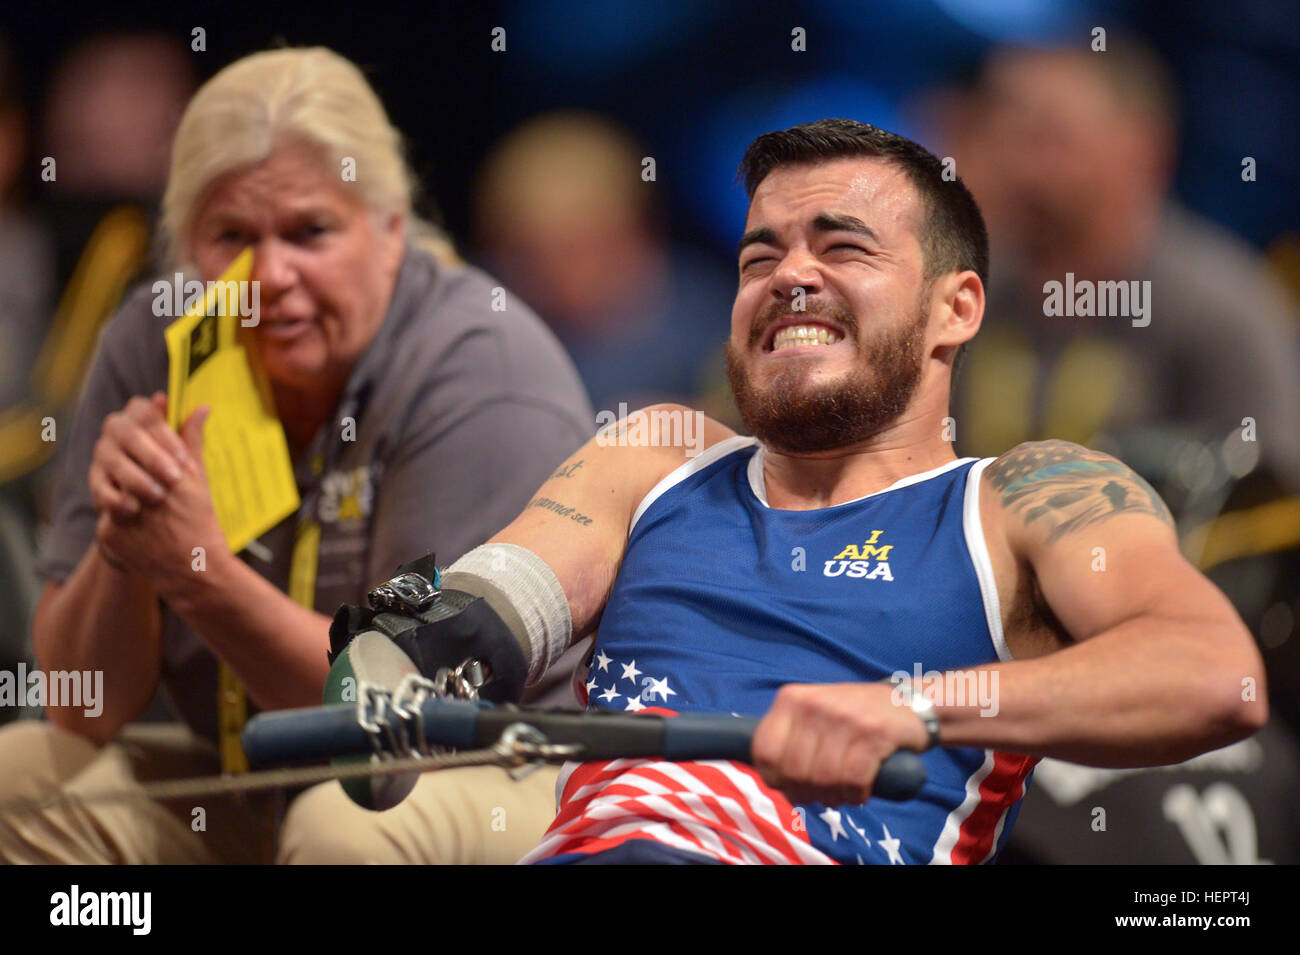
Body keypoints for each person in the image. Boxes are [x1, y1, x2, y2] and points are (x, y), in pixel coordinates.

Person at [302, 118, 1267, 865]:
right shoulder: (660, 451)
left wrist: (918, 707)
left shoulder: (1026, 495)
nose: (790, 275)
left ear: (955, 307)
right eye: (760, 255)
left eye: (841, 247)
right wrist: (410, 649)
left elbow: (1217, 675)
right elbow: (490, 610)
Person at [0, 47, 592, 864]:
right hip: (256, 780)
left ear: (391, 232)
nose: (268, 275)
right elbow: (83, 706)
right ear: (183, 248)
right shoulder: (155, 340)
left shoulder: (482, 367)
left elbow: (399, 724)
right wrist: (124, 541)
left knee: (346, 828)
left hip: (485, 775)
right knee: (17, 777)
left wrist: (196, 572)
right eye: (231, 235)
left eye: (310, 232)